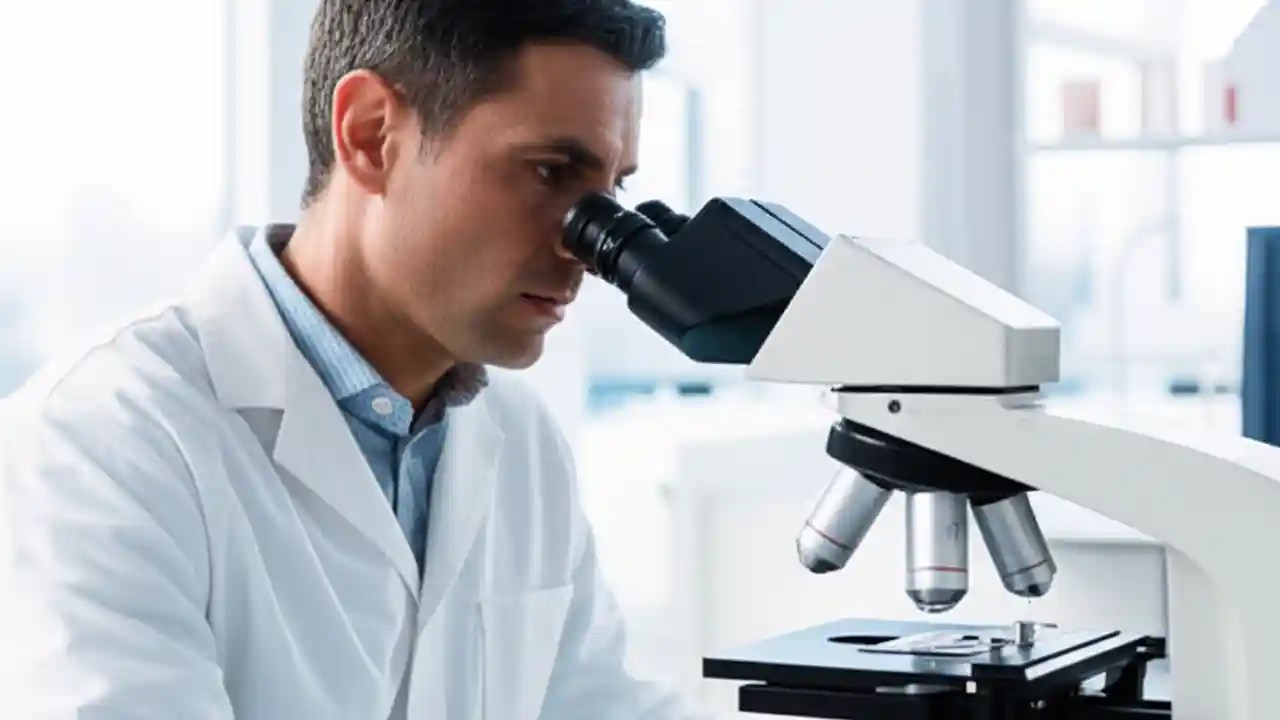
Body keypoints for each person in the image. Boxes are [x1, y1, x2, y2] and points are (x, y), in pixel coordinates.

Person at [0, 1, 707, 717]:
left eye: (611, 193)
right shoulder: (100, 443)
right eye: (551, 171)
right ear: (370, 134)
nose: (585, 247)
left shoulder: (522, 444)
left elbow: (601, 706)